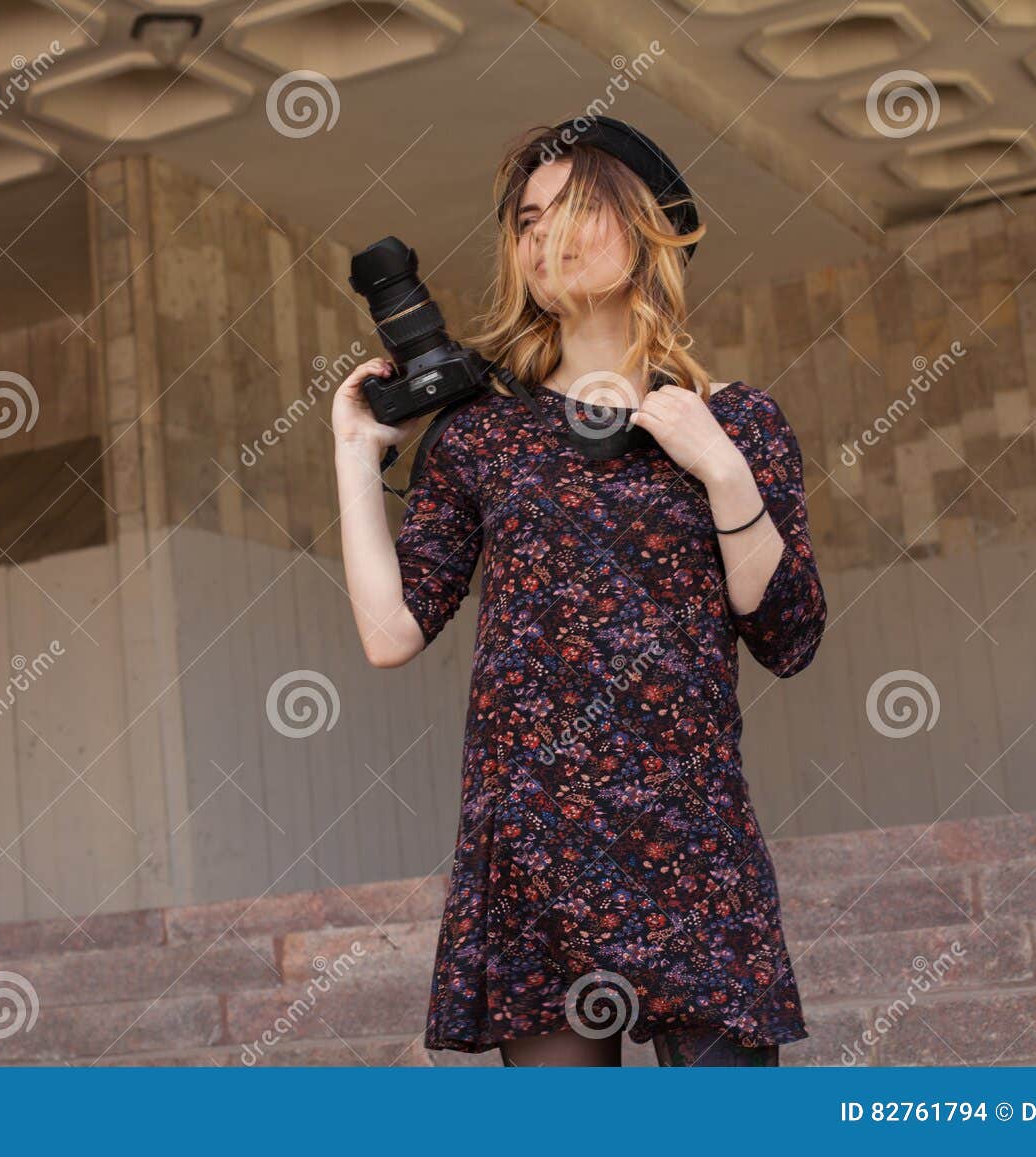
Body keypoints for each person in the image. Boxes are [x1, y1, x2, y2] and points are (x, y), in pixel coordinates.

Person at [330, 116, 827, 1067]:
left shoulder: (738, 423)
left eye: (573, 208)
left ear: (645, 228)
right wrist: (356, 455)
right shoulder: (481, 435)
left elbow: (789, 634)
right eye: (526, 219)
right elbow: (392, 632)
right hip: (536, 834)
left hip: (691, 832)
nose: (543, 233)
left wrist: (723, 472)